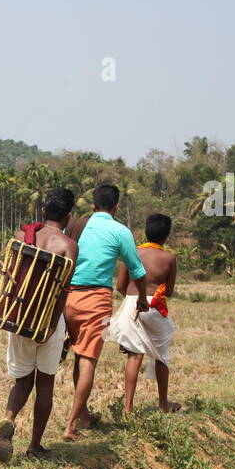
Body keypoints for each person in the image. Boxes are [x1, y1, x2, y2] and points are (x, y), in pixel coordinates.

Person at [0, 188, 78, 462]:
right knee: (45, 385)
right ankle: (35, 446)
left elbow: (9, 275)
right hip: (47, 323)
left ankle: (8, 417)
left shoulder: (22, 236)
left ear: (43, 211)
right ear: (68, 216)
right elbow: (63, 290)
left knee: (22, 381)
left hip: (20, 318)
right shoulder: (68, 246)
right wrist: (53, 324)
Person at [62, 184, 149, 440]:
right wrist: (141, 298)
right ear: (116, 207)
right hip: (96, 299)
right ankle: (70, 426)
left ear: (93, 206)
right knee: (88, 359)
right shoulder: (120, 231)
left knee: (78, 355)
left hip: (66, 297)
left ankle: (84, 414)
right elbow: (138, 271)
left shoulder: (75, 225)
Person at [108, 213, 179, 413]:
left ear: (146, 232)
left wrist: (134, 297)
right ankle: (164, 404)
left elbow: (121, 286)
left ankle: (128, 407)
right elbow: (170, 291)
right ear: (166, 236)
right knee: (161, 357)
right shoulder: (169, 258)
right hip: (155, 307)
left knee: (134, 355)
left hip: (132, 303)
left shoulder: (134, 253)